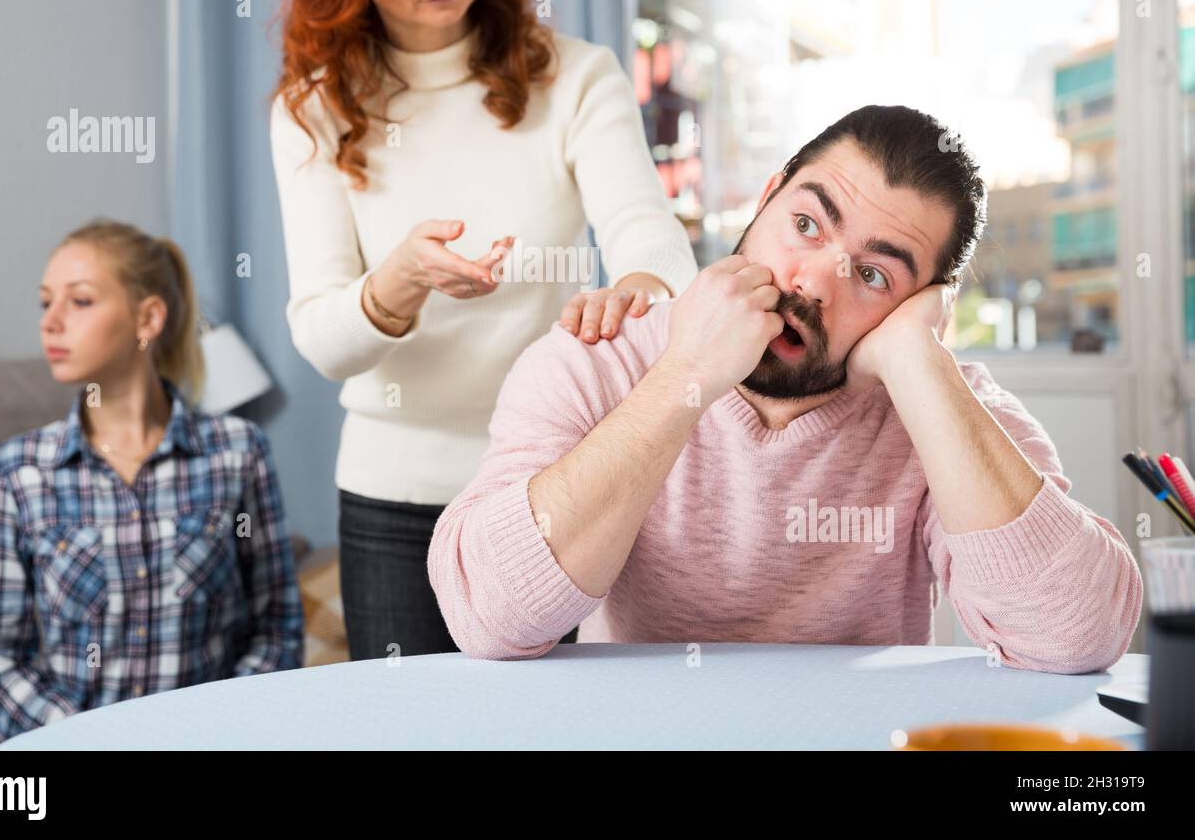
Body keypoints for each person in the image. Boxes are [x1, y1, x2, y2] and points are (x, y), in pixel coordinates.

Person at [428, 105, 1144, 673]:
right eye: (804, 224)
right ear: (766, 198)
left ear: (924, 305)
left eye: (874, 275)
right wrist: (685, 378)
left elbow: (1076, 635)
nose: (809, 282)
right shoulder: (599, 357)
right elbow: (487, 614)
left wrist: (920, 364)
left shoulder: (945, 408)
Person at [269, 0, 697, 661]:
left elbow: (652, 245)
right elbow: (321, 335)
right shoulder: (310, 112)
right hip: (394, 500)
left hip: (561, 487)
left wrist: (641, 295)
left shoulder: (575, 78)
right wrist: (400, 280)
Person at [0, 219, 303, 741]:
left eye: (80, 301)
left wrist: (217, 734)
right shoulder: (15, 473)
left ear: (148, 318)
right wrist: (90, 740)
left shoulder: (238, 452)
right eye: (44, 302)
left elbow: (277, 629)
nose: (50, 323)